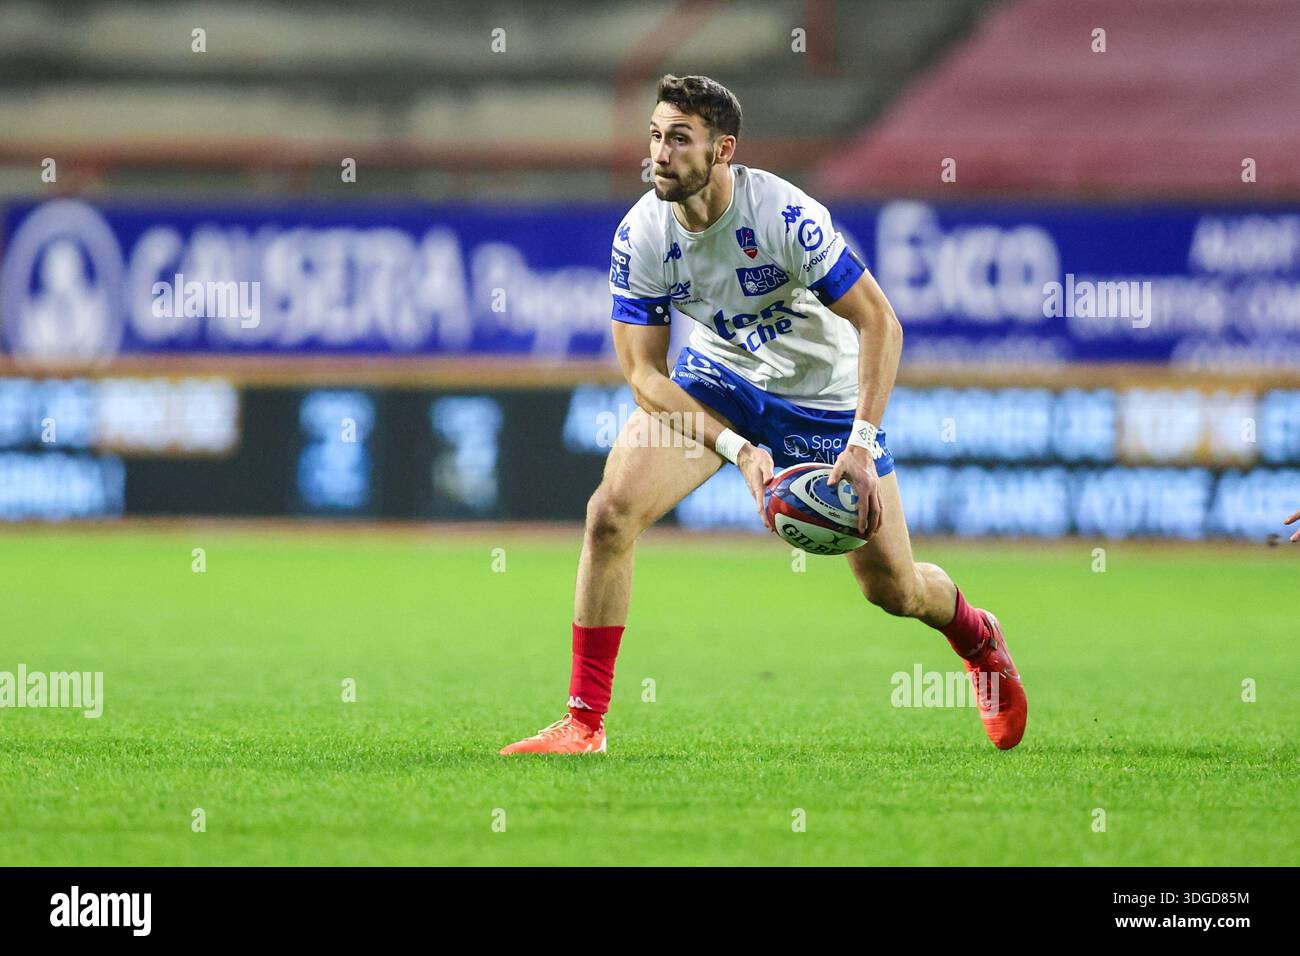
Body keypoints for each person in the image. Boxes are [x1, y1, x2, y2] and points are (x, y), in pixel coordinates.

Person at [500, 74, 1027, 755]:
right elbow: (642, 374)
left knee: (894, 591)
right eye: (656, 136)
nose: (660, 154)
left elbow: (881, 324)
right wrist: (738, 449)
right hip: (723, 379)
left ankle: (976, 636)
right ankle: (584, 722)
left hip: (826, 400)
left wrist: (861, 446)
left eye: (680, 140)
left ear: (724, 151)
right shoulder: (641, 235)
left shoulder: (781, 216)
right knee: (610, 513)